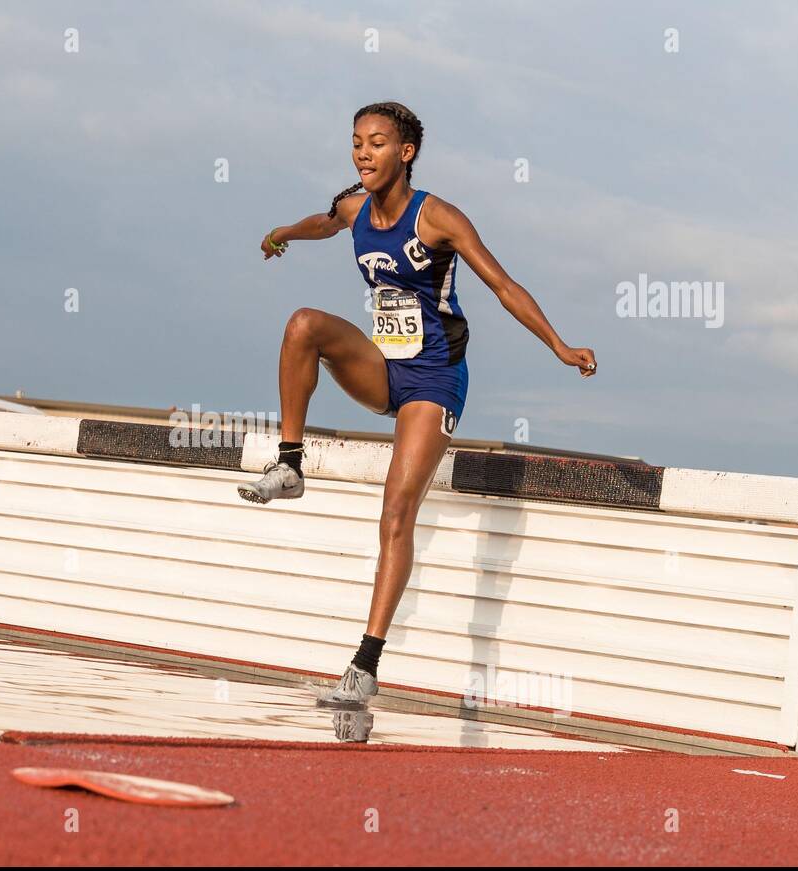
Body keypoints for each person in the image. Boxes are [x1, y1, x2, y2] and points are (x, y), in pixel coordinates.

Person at [238, 102, 597, 705]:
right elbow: (324, 223)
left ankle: (364, 667)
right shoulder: (354, 206)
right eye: (355, 143)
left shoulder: (439, 217)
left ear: (405, 153)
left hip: (433, 379)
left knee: (396, 514)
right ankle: (290, 465)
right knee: (303, 324)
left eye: (376, 143)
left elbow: (504, 287)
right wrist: (282, 235)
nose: (362, 153)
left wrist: (559, 345)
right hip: (383, 368)